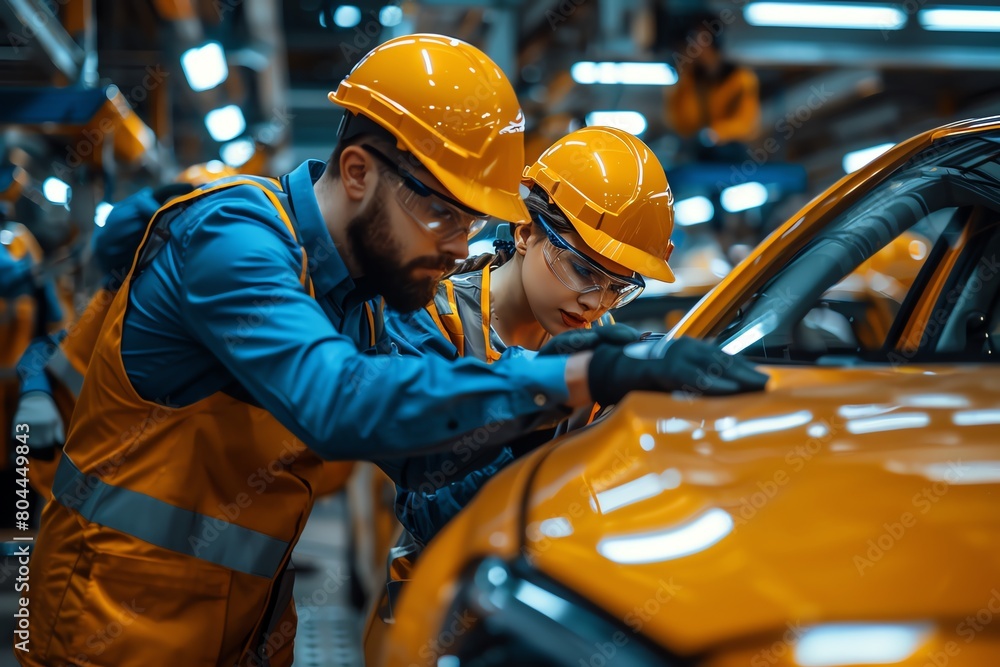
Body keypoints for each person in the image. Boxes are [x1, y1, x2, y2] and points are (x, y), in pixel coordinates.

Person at [20, 34, 766, 667]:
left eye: (471, 222)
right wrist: (582, 370)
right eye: (442, 213)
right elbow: (337, 400)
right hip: (107, 631)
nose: (459, 248)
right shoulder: (234, 241)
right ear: (357, 173)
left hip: (228, 634)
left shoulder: (365, 296)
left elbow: (426, 454)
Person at [387, 126, 676, 546]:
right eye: (581, 270)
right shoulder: (432, 316)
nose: (594, 302)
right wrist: (529, 422)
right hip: (441, 591)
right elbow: (428, 512)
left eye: (617, 288)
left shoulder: (599, 331)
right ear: (524, 231)